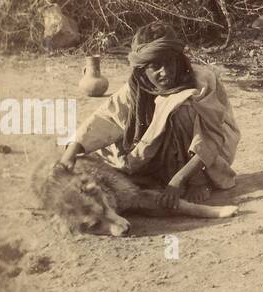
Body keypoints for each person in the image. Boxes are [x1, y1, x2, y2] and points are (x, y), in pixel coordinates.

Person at [57, 24, 240, 207]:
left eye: (169, 62)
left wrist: (179, 180)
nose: (165, 72)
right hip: (167, 150)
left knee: (183, 106)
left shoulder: (201, 80)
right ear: (142, 69)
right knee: (111, 158)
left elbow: (211, 136)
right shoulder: (137, 86)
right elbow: (106, 117)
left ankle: (197, 180)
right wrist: (70, 153)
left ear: (178, 59)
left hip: (212, 151)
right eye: (155, 66)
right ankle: (162, 173)